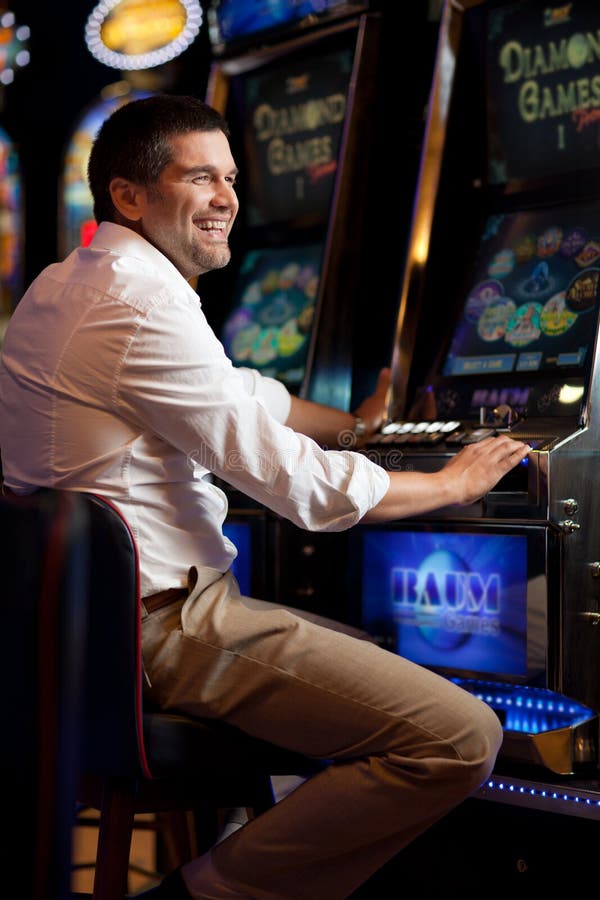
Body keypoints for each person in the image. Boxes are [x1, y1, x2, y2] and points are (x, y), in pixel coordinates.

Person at [0, 95, 530, 900]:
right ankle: (203, 892)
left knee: (384, 662)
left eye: (232, 178)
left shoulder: (76, 283)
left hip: (89, 632)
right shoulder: (136, 303)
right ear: (128, 195)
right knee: (458, 734)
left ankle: (251, 860)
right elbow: (300, 486)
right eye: (201, 177)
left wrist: (359, 425)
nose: (226, 199)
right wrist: (446, 480)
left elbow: (235, 393)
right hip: (157, 631)